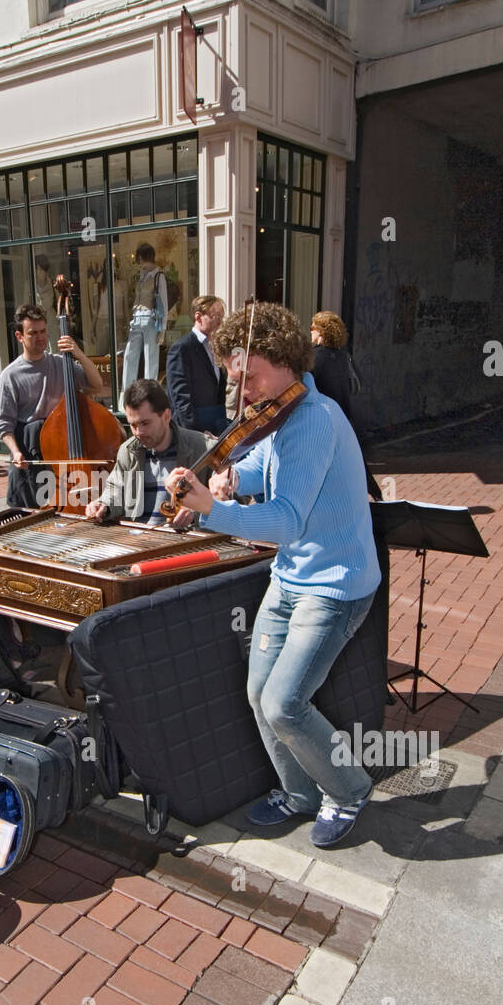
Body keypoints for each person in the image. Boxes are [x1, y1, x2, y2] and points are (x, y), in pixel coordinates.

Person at [164, 302, 382, 848]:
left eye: (250, 377)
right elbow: (267, 465)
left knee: (285, 702)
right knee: (258, 692)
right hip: (291, 578)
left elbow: (287, 520)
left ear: (284, 361)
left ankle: (349, 789)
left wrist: (213, 508)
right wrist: (233, 476)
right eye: (237, 379)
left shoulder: (314, 420)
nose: (245, 394)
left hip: (334, 584)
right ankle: (300, 793)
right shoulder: (282, 415)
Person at [0, 303, 104, 508]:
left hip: (62, 445)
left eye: (43, 331)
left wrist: (79, 353)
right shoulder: (10, 375)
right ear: (20, 337)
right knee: (32, 512)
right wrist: (16, 451)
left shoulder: (60, 363)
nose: (40, 337)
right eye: (33, 333)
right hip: (30, 448)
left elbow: (97, 384)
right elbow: (4, 425)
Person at [86, 378, 207, 526]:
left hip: (186, 541)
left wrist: (195, 512)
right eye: (133, 425)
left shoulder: (202, 447)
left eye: (145, 423)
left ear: (166, 416)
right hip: (139, 538)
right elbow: (115, 490)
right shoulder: (129, 451)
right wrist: (103, 505)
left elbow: (228, 501)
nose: (139, 432)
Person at [311, 311, 382, 502]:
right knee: (354, 461)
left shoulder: (313, 358)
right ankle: (375, 495)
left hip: (322, 420)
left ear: (322, 332)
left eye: (313, 328)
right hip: (344, 417)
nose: (310, 332)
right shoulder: (343, 357)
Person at [164, 295, 227, 434]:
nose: (220, 322)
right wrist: (198, 431)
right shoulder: (182, 348)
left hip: (216, 426)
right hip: (194, 431)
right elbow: (180, 398)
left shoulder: (216, 347)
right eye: (215, 316)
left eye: (222, 317)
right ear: (198, 317)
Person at [121, 244, 168, 390]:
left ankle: (150, 391)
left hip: (150, 319)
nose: (139, 262)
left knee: (150, 356)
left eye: (139, 258)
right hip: (136, 319)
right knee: (129, 354)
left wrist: (163, 329)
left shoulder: (158, 276)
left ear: (144, 257)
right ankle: (127, 389)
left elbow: (164, 303)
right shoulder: (143, 276)